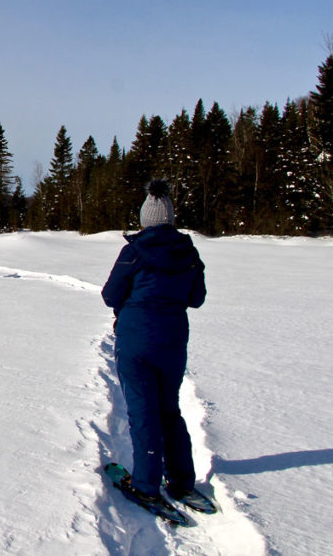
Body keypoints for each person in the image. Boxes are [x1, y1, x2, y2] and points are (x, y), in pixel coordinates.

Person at [101, 180, 206, 506]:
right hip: (172, 341)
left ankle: (146, 484)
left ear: (144, 219)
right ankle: (181, 481)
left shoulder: (134, 252)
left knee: (143, 411)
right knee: (168, 409)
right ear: (170, 218)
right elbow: (197, 298)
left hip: (136, 340)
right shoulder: (188, 252)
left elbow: (110, 295)